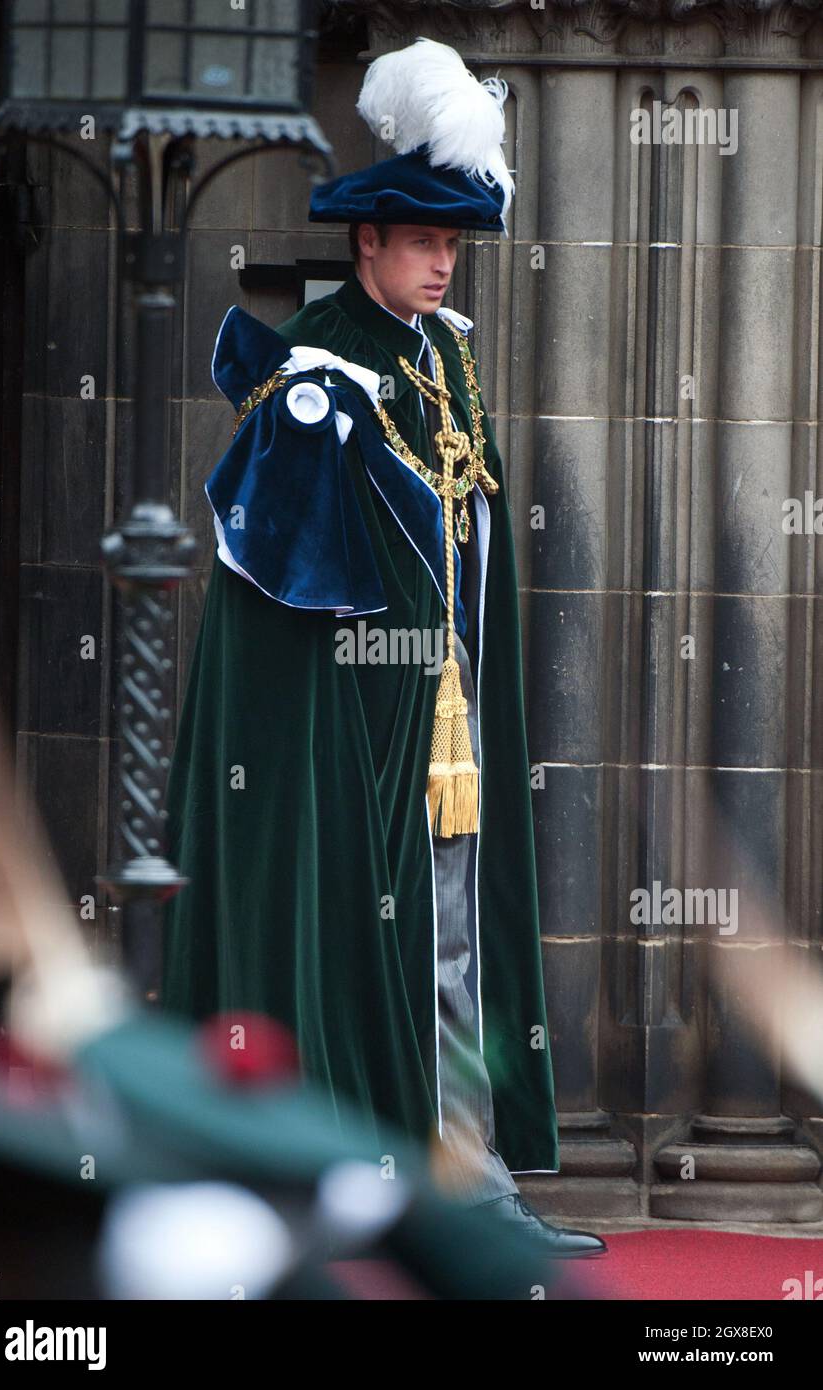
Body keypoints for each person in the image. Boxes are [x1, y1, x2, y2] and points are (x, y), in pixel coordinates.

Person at [161, 37, 605, 1259]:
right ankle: (372, 1179)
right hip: (356, 731)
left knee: (459, 942)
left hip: (446, 720)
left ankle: (472, 1175)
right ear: (368, 241)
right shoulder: (317, 366)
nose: (439, 264)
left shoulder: (445, 352)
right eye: (422, 244)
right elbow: (286, 592)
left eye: (452, 248)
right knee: (390, 943)